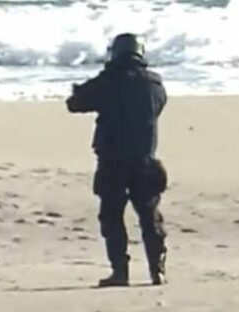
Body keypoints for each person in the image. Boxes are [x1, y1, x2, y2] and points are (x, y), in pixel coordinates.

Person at [66, 33, 169, 287]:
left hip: (112, 162)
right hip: (145, 160)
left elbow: (75, 103)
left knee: (112, 216)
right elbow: (158, 105)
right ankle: (158, 270)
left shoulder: (109, 81)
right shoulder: (154, 84)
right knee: (149, 216)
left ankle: (120, 272)